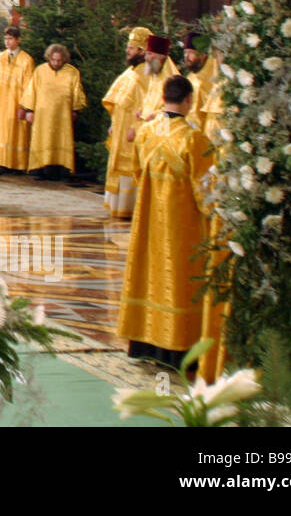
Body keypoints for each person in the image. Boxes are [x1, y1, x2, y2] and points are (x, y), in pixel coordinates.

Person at [117, 75, 213, 369]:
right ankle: (177, 348)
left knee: (149, 276)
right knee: (178, 278)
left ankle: (144, 343)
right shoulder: (194, 139)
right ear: (189, 100)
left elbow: (136, 172)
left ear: (162, 98)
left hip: (148, 221)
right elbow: (205, 191)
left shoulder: (145, 132)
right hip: (181, 225)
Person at [102, 27, 151, 218]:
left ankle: (129, 207)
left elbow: (147, 105)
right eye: (128, 47)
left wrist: (135, 128)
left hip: (132, 132)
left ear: (141, 50)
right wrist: (115, 123)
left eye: (131, 48)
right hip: (121, 129)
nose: (127, 51)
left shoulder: (146, 75)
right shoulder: (131, 72)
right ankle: (119, 207)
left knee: (130, 168)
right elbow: (121, 101)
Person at [20, 43, 87, 179]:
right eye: (54, 60)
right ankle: (40, 169)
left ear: (64, 59)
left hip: (63, 116)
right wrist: (29, 110)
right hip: (42, 115)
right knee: (42, 140)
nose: (56, 63)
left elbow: (77, 91)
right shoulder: (40, 71)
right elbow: (31, 91)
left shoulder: (72, 72)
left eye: (59, 60)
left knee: (61, 140)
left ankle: (61, 170)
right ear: (49, 58)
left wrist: (76, 110)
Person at [0, 28, 34, 175]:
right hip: (2, 102)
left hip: (17, 102)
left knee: (17, 132)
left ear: (18, 40)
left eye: (11, 39)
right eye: (6, 39)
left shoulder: (27, 60)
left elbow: (29, 86)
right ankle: (1, 162)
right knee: (2, 132)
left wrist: (25, 106)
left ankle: (17, 164)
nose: (8, 42)